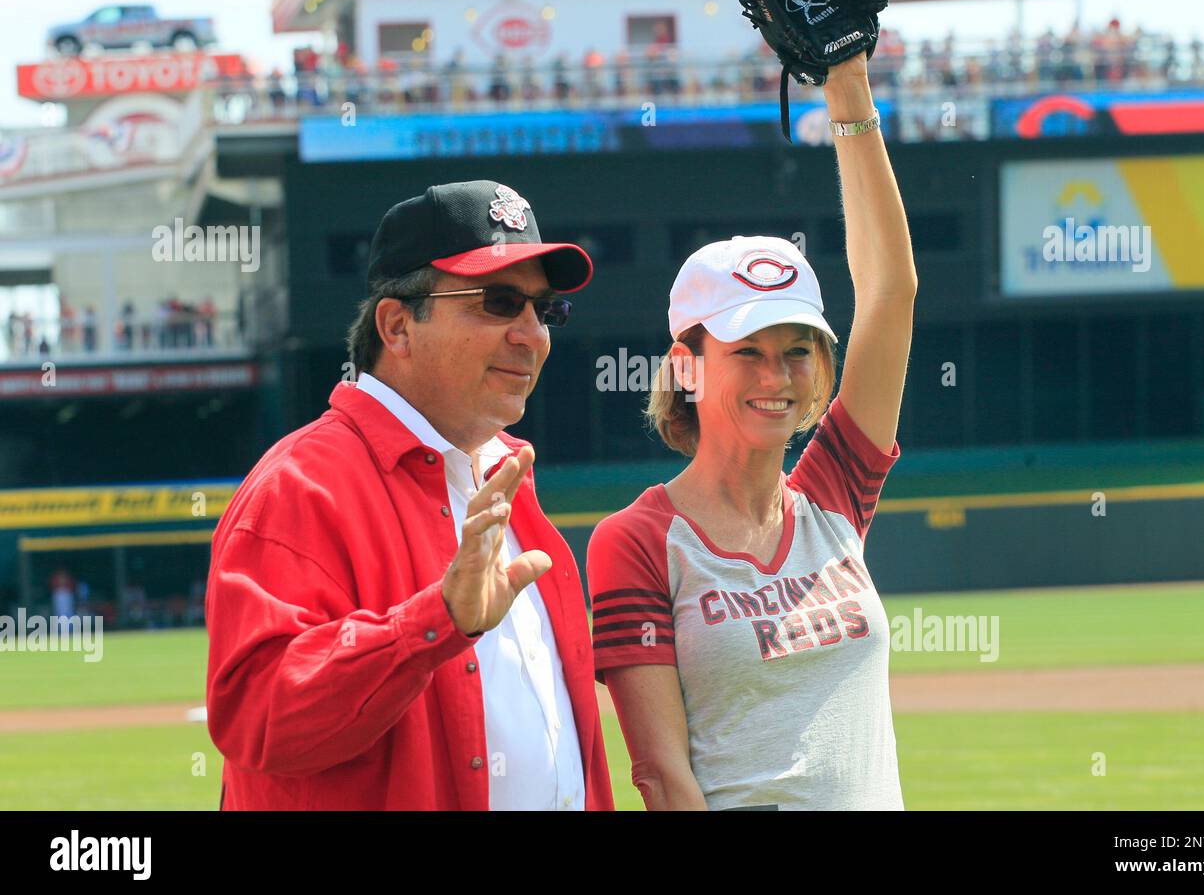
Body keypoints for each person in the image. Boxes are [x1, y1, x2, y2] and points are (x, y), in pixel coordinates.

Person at [205, 179, 614, 810]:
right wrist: (433, 623)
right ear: (397, 326)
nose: (534, 335)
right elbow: (259, 718)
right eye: (500, 302)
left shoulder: (505, 472)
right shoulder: (299, 484)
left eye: (546, 309)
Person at [587, 51, 916, 810]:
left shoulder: (833, 493)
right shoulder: (636, 541)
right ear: (689, 365)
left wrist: (847, 85)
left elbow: (892, 290)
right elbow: (661, 777)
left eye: (797, 351)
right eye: (748, 353)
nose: (777, 377)